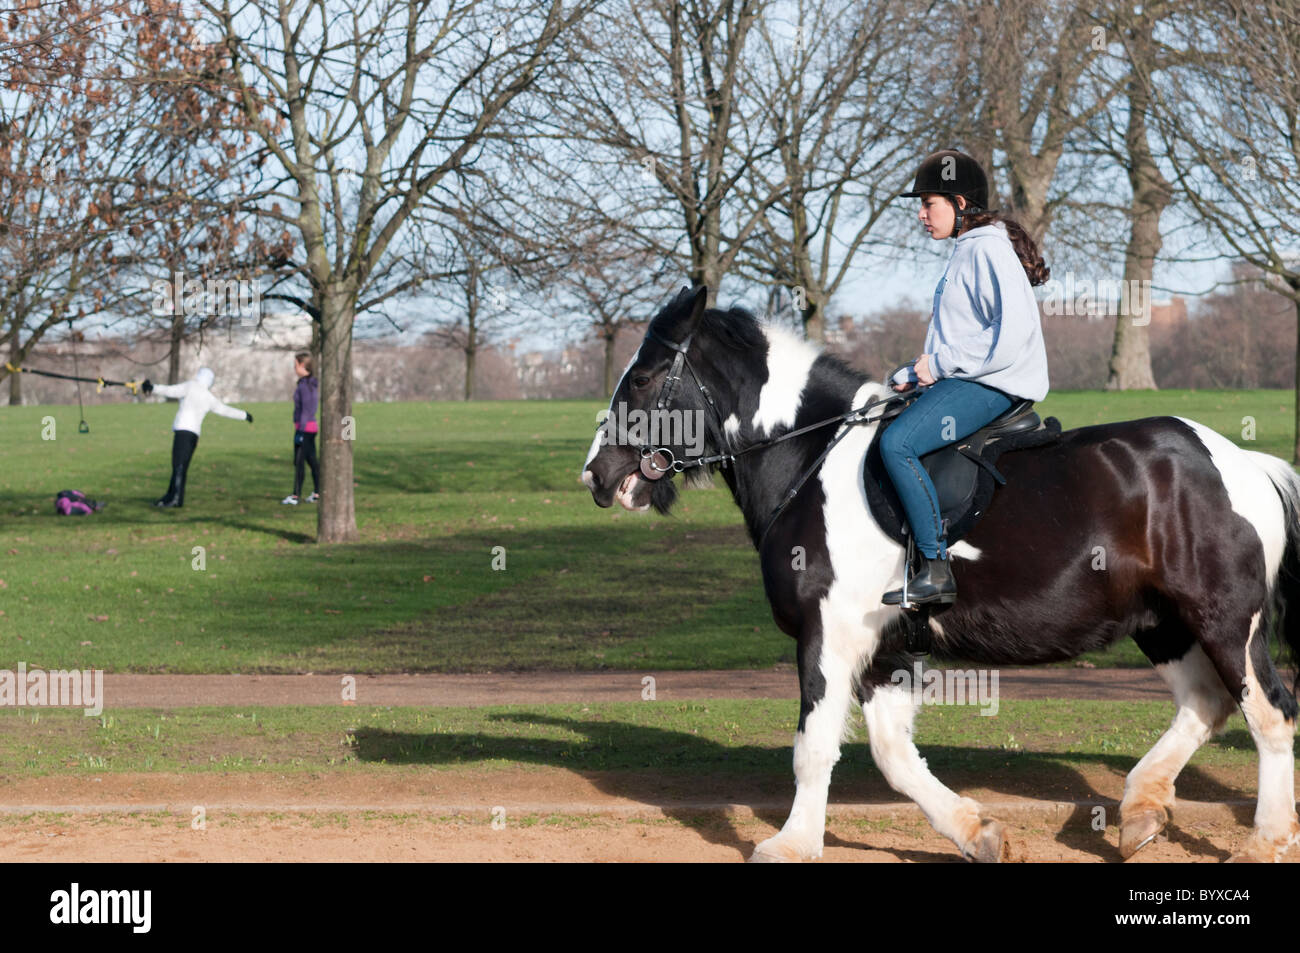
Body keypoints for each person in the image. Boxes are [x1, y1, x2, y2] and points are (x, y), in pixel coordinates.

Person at [880, 149, 1050, 607]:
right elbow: (962, 339)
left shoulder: (988, 249)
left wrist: (936, 366)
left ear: (959, 203)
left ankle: (935, 568)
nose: (920, 214)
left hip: (995, 385)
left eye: (928, 203)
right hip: (971, 379)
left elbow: (1009, 335)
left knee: (897, 444)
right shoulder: (968, 249)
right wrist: (917, 373)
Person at [141, 367, 253, 508]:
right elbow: (224, 410)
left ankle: (175, 499)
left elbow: (171, 391)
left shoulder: (190, 386)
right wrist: (244, 415)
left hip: (182, 431)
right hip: (194, 436)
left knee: (178, 466)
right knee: (182, 467)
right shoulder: (208, 396)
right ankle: (171, 496)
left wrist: (152, 387)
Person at [282, 351, 320, 505]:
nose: (294, 367)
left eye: (295, 364)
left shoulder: (305, 385)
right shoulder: (309, 383)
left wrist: (301, 430)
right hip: (309, 428)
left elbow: (306, 409)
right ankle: (318, 493)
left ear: (302, 365)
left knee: (299, 462)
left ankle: (295, 496)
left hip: (305, 429)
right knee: (311, 461)